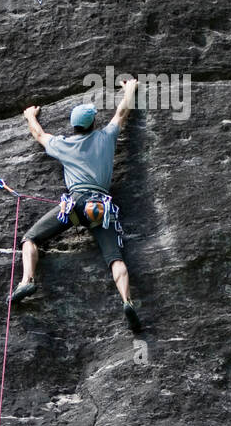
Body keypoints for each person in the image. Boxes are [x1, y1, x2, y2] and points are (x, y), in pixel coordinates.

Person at [10, 78, 142, 332]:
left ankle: (27, 280)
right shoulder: (106, 137)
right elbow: (122, 112)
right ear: (93, 123)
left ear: (74, 126)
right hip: (99, 210)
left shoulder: (64, 144)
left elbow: (39, 134)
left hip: (73, 208)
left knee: (30, 238)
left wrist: (29, 115)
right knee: (114, 258)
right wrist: (130, 90)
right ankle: (127, 300)